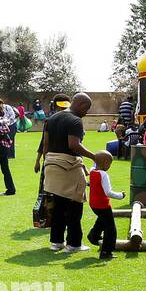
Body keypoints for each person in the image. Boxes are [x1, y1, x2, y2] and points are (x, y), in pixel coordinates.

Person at [38, 92, 97, 253]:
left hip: (51, 165)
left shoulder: (52, 119)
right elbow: (73, 145)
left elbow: (45, 145)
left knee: (59, 206)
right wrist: (94, 156)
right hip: (68, 166)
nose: (86, 113)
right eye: (87, 109)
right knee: (75, 206)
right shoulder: (76, 121)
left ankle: (56, 241)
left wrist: (46, 164)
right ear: (82, 105)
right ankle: (74, 244)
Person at [86, 150, 123, 261]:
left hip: (93, 204)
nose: (109, 166)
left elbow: (94, 164)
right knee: (111, 228)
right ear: (105, 163)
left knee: (102, 220)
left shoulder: (92, 171)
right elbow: (108, 192)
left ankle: (93, 236)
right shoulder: (104, 174)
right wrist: (120, 195)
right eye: (109, 164)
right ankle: (106, 251)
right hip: (103, 204)